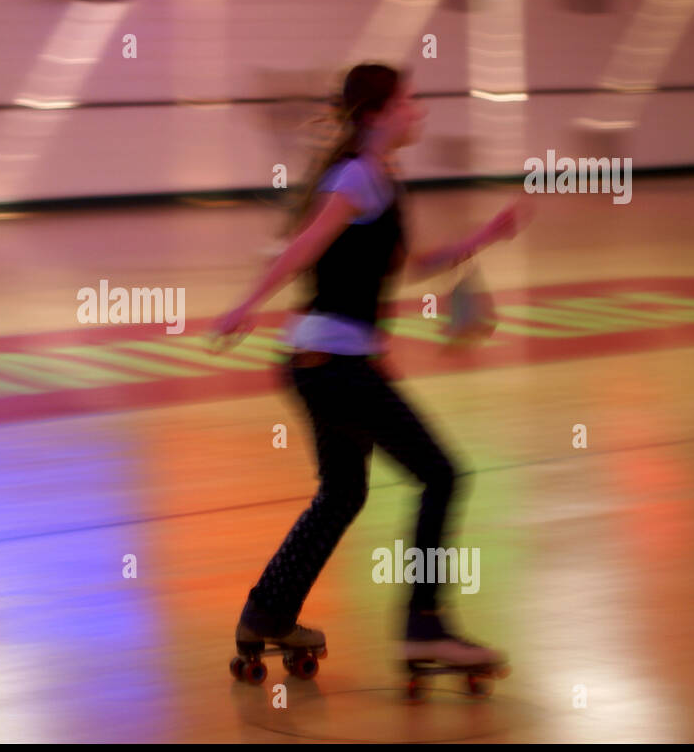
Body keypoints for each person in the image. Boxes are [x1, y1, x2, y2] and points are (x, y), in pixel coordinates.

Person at [213, 63, 529, 676]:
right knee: (442, 475)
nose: (420, 110)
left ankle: (269, 613)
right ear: (380, 112)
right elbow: (306, 242)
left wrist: (483, 237)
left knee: (344, 492)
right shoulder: (356, 176)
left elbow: (408, 263)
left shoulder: (381, 176)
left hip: (322, 363)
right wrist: (247, 304)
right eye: (410, 100)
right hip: (333, 367)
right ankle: (424, 629)